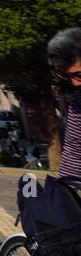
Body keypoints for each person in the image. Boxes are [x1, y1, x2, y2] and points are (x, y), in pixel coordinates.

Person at [46, 27, 81, 189]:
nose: (74, 83)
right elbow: (74, 148)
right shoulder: (78, 99)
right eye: (66, 76)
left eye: (78, 74)